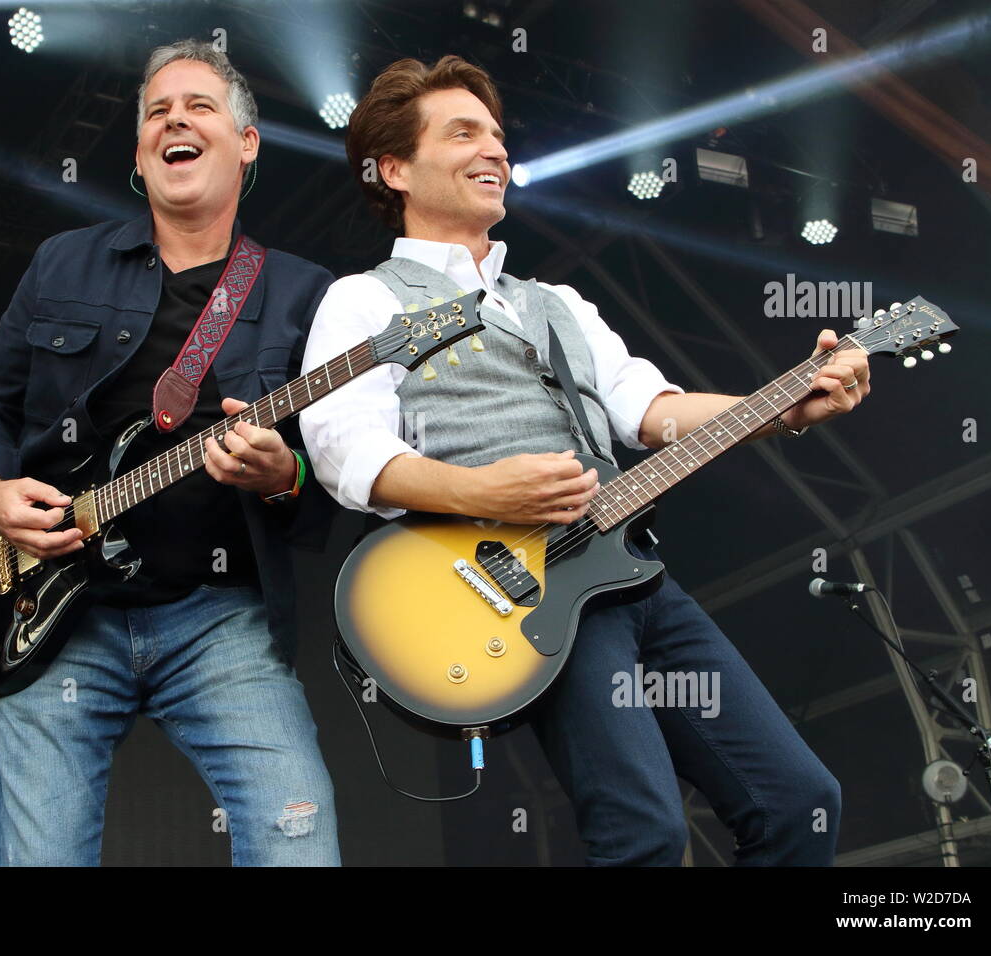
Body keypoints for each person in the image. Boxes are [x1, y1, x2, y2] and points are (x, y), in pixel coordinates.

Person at [301, 55, 870, 865]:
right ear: (393, 168)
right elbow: (342, 447)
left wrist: (787, 403)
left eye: (497, 134)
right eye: (462, 133)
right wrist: (481, 487)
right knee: (645, 832)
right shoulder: (364, 299)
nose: (493, 149)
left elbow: (652, 412)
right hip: (513, 588)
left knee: (799, 801)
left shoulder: (558, 303)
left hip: (629, 571)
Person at [0, 39, 339, 866]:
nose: (174, 122)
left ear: (247, 141)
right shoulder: (65, 261)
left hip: (220, 616)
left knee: (297, 837)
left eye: (198, 107)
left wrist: (284, 475)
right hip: (58, 614)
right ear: (138, 153)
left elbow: (336, 478)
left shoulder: (308, 294)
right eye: (157, 111)